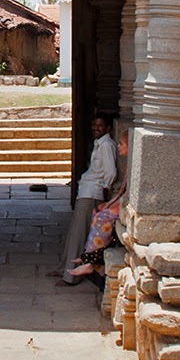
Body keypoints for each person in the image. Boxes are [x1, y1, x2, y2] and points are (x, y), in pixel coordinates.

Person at [55, 112, 117, 285]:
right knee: (74, 232)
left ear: (108, 128)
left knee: (79, 235)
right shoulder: (100, 144)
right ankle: (63, 268)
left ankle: (71, 276)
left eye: (100, 125)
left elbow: (110, 172)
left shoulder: (106, 145)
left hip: (92, 193)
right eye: (94, 125)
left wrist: (104, 187)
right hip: (86, 190)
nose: (96, 128)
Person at [66, 129, 129, 279]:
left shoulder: (107, 145)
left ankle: (89, 261)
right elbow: (122, 191)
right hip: (117, 200)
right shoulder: (129, 164)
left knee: (101, 219)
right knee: (98, 213)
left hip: (121, 202)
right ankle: (87, 257)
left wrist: (106, 190)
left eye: (121, 144)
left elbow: (113, 177)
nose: (118, 146)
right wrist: (109, 202)